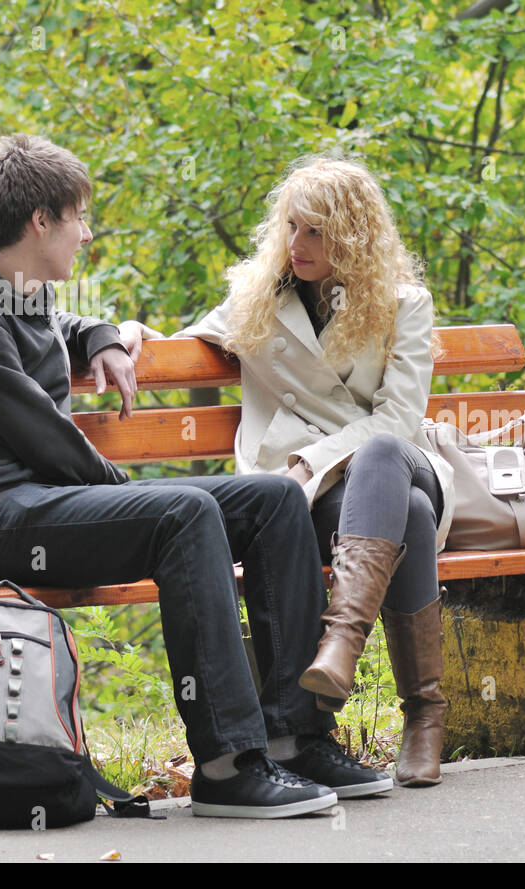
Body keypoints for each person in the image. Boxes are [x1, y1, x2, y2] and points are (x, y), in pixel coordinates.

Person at [0, 134, 391, 819]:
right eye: (77, 217)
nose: (86, 232)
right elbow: (41, 434)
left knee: (275, 500)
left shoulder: (13, 290)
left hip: (41, 500)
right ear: (41, 221)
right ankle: (226, 762)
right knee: (182, 515)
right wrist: (140, 498)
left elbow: (56, 323)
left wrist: (98, 332)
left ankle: (294, 737)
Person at [122, 155, 454, 786]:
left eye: (317, 232)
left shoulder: (402, 303)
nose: (297, 244)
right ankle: (424, 717)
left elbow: (400, 420)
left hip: (398, 465)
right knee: (404, 518)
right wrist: (127, 331)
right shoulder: (259, 300)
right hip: (330, 501)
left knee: (386, 461)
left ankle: (341, 646)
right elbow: (182, 341)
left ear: (352, 237)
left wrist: (311, 458)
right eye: (293, 227)